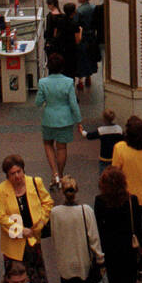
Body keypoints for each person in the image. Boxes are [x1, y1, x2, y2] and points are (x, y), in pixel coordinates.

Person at [49, 175, 104, 283]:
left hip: (65, 261)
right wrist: (100, 258)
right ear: (76, 190)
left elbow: (54, 236)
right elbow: (93, 237)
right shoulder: (85, 210)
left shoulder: (55, 213)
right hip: (83, 261)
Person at [0, 153, 53, 283]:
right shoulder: (1, 190)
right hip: (13, 245)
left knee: (36, 280)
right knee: (16, 282)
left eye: (19, 171)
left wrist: (41, 222)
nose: (17, 176)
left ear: (23, 169)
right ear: (7, 175)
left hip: (33, 240)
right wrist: (20, 230)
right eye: (12, 173)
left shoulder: (35, 182)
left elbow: (47, 202)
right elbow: (1, 216)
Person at [94, 166, 142, 283]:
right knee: (129, 281)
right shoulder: (132, 200)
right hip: (128, 249)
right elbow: (138, 227)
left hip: (108, 249)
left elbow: (97, 227)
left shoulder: (100, 201)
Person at [111, 116, 142, 257]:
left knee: (131, 226)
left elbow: (115, 173)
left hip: (128, 197)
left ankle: (135, 250)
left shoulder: (119, 148)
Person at [35, 52, 81, 187]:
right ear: (62, 67)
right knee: (61, 148)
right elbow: (73, 104)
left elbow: (38, 102)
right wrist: (79, 121)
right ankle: (60, 175)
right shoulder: (68, 82)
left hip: (49, 119)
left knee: (48, 144)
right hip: (65, 120)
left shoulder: (43, 83)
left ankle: (54, 173)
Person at [75, 0, 98, 91]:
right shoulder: (93, 7)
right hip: (92, 36)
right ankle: (89, 77)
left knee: (81, 58)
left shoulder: (79, 11)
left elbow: (76, 24)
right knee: (90, 56)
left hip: (83, 36)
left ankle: (80, 81)